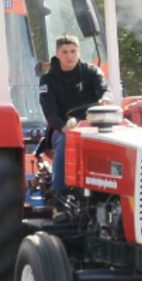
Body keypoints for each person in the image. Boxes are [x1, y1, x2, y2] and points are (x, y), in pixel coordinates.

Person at [40, 33, 113, 195]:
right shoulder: (48, 80)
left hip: (93, 125)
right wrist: (63, 127)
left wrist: (106, 98)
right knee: (66, 141)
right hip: (63, 128)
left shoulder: (91, 71)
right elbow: (49, 111)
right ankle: (59, 192)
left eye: (73, 51)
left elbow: (105, 89)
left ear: (79, 52)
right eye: (65, 52)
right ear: (57, 54)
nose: (69, 56)